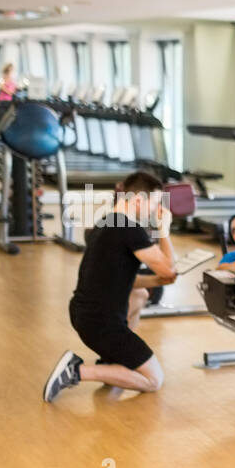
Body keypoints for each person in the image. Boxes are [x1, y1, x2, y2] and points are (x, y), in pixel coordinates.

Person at [43, 171, 177, 402]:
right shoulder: (129, 229)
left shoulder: (107, 222)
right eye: (155, 204)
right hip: (101, 324)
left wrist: (156, 281)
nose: (156, 211)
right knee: (154, 380)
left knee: (140, 294)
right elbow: (169, 268)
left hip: (84, 314)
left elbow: (120, 279)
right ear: (138, 201)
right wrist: (163, 228)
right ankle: (76, 371)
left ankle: (111, 361)